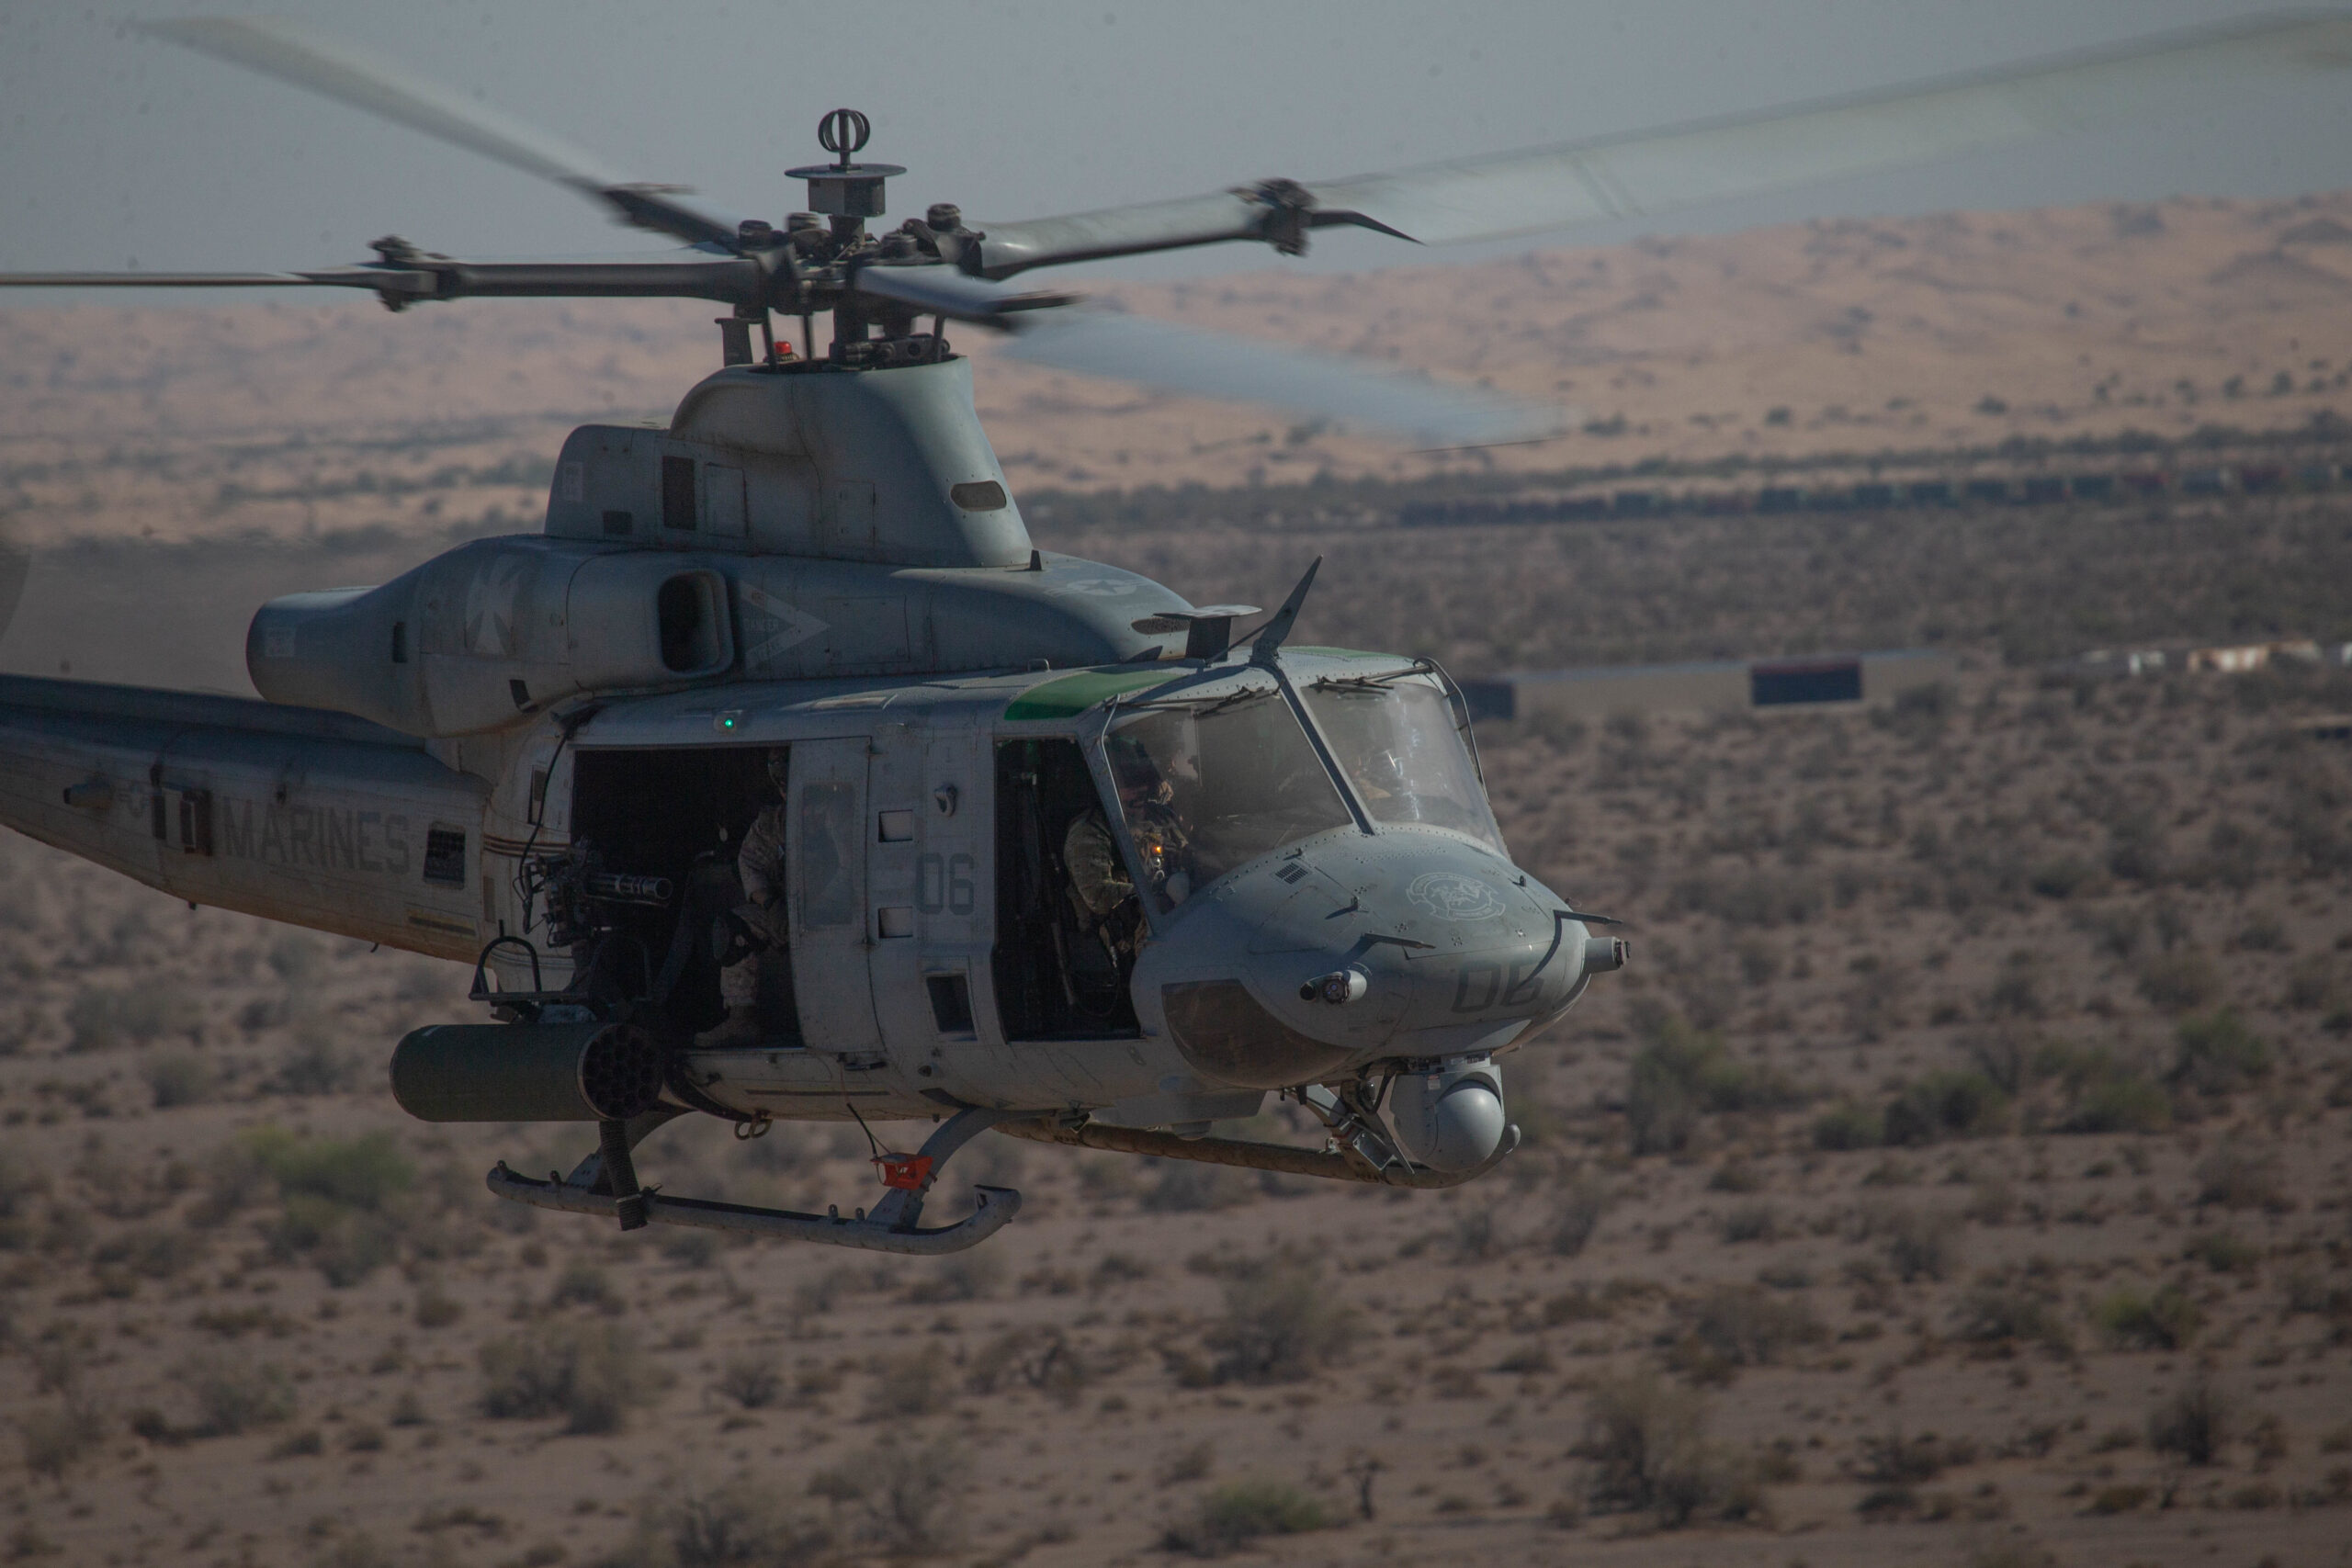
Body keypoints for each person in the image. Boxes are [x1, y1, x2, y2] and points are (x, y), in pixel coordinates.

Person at [714, 750, 787, 1042]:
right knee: (736, 928)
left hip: (836, 913)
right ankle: (741, 1019)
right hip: (784, 910)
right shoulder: (773, 822)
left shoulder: (837, 812)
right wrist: (770, 904)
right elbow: (751, 862)